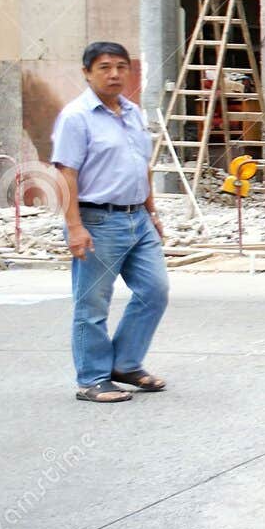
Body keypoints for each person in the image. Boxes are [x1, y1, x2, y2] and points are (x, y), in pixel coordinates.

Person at [51, 42, 170, 403]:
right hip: (97, 220)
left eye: (121, 66)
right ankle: (92, 379)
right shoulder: (76, 117)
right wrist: (74, 227)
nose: (115, 73)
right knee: (92, 305)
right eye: (104, 67)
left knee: (154, 292)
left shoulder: (133, 112)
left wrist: (151, 212)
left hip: (138, 219)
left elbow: (141, 166)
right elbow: (65, 175)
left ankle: (125, 364)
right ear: (87, 72)